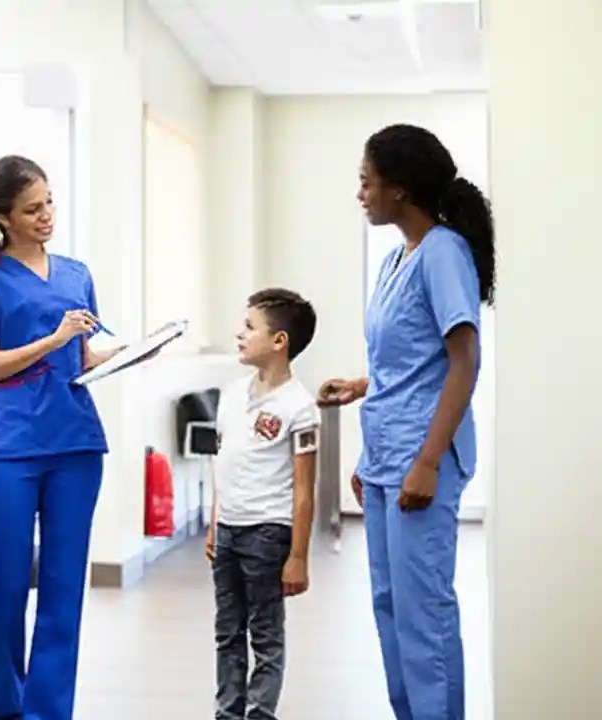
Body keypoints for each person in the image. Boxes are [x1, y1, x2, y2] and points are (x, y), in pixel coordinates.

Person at [318, 124, 495, 720]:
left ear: (399, 189)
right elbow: (413, 355)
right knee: (390, 606)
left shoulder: (444, 251)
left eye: (366, 183)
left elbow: (464, 361)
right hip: (387, 457)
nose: (360, 194)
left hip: (424, 460)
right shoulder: (399, 256)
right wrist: (363, 386)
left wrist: (424, 462)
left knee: (425, 614)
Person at [0, 155, 120, 720]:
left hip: (74, 442)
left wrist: (119, 355)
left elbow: (82, 354)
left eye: (49, 201)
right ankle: (8, 708)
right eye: (32, 208)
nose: (47, 215)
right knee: (4, 586)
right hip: (8, 450)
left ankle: (48, 712)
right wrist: (52, 340)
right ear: (3, 216)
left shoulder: (76, 273)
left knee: (65, 587)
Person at [206, 288, 320, 720]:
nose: (240, 334)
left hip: (268, 534)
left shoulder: (300, 406)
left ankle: (260, 713)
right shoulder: (232, 394)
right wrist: (216, 523)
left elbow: (305, 490)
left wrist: (298, 556)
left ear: (279, 342)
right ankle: (228, 712)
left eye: (249, 327)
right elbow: (223, 462)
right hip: (230, 530)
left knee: (265, 635)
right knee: (227, 632)